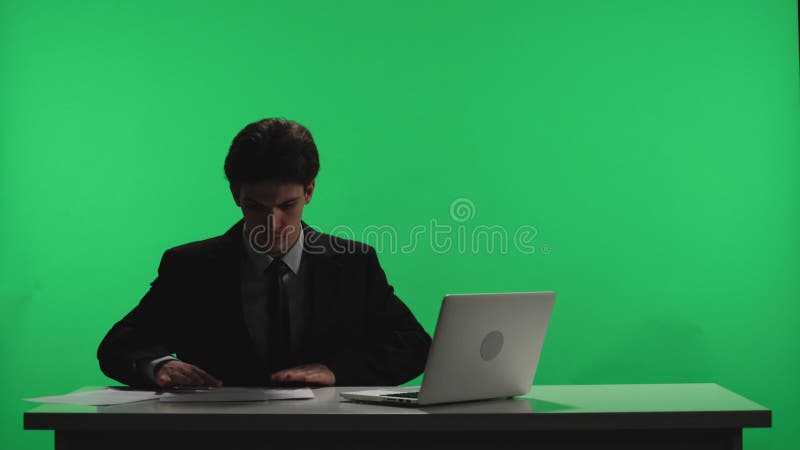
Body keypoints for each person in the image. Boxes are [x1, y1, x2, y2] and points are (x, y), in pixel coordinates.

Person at [97, 118, 431, 388]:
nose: (273, 223)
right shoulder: (190, 269)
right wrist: (159, 366)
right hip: (218, 436)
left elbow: (415, 345)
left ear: (309, 191)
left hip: (329, 436)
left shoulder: (354, 264)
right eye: (256, 206)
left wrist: (336, 371)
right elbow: (118, 346)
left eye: (288, 205)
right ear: (235, 194)